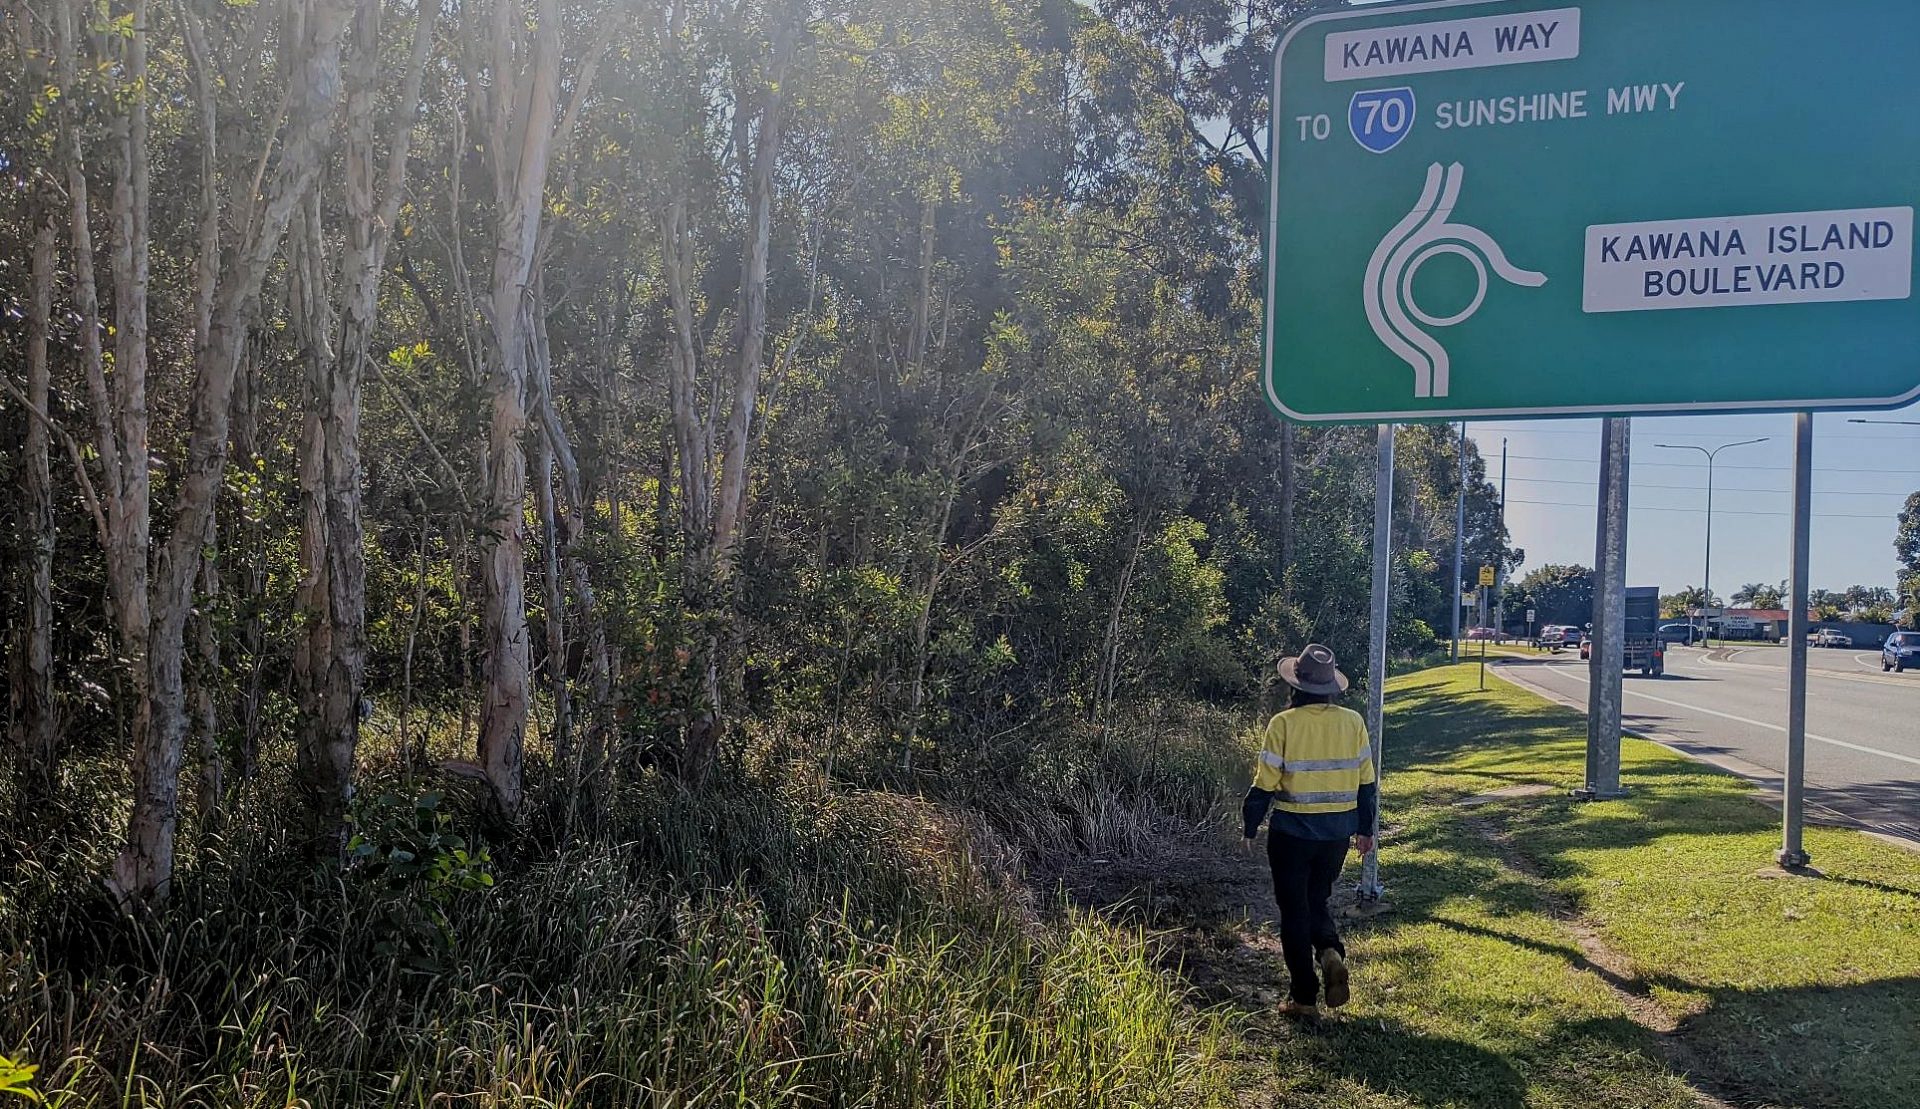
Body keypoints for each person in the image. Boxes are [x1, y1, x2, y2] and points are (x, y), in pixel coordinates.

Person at [1241, 643, 1378, 1017]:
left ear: (1295, 685)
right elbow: (1367, 783)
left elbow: (1265, 782)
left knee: (1294, 911)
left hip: (1292, 834)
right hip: (1336, 833)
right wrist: (1365, 829)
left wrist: (1250, 825)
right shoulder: (1353, 722)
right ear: (1331, 686)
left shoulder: (1283, 724)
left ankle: (1303, 998)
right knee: (1317, 899)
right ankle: (1330, 951)